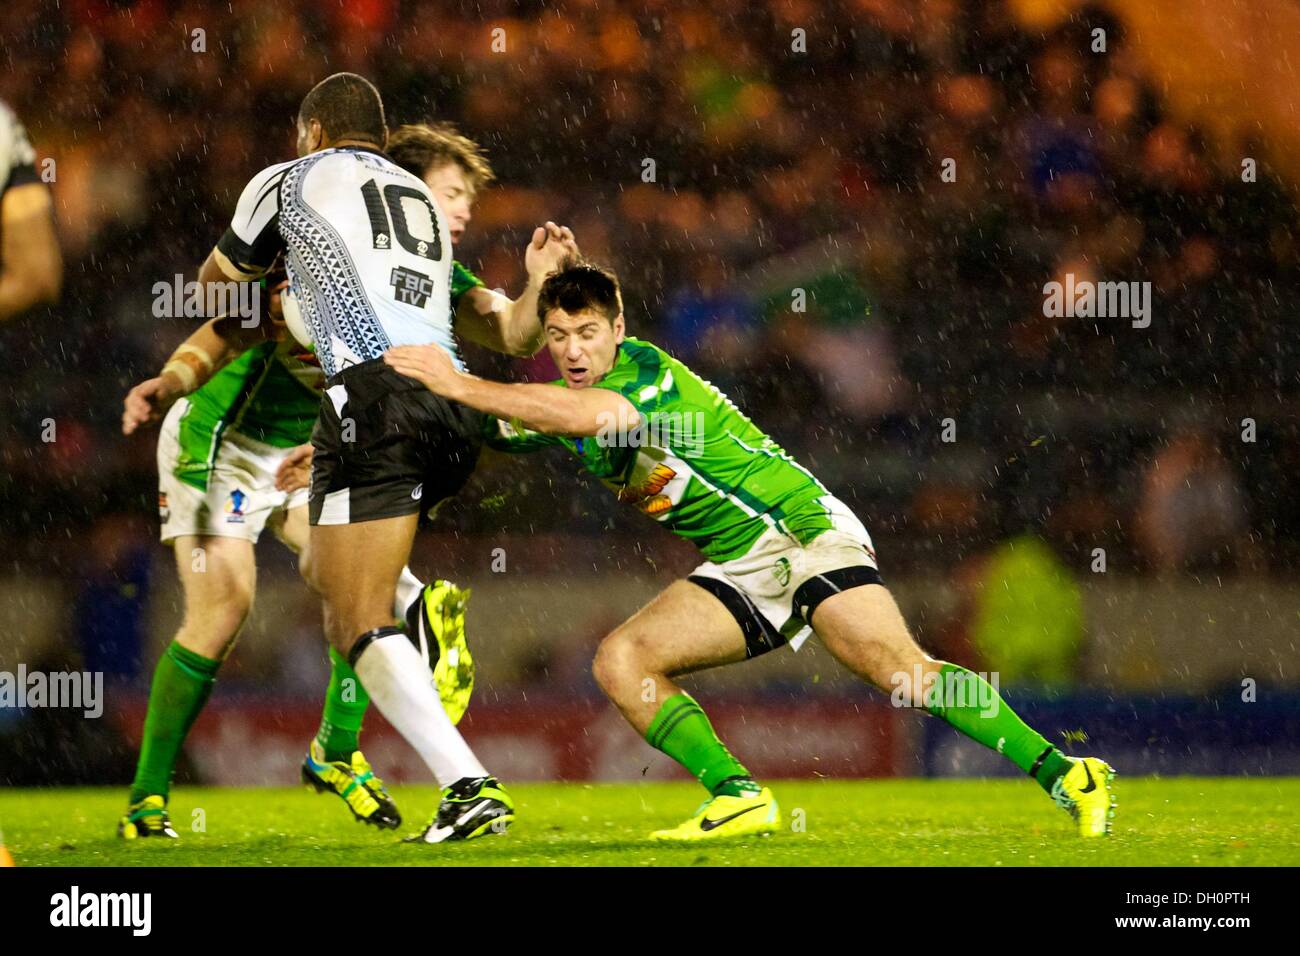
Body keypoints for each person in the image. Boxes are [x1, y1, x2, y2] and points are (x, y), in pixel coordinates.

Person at [384, 259, 1119, 841]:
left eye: (588, 332)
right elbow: (500, 422)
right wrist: (388, 396)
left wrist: (462, 381)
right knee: (622, 660)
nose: (573, 350)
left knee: (899, 670)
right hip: (744, 563)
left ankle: (1066, 771)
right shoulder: (564, 403)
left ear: (618, 329)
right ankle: (738, 795)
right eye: (557, 337)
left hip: (800, 530)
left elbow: (581, 415)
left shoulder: (642, 374)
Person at [118, 73, 572, 843]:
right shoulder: (400, 224)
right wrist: (175, 378)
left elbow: (212, 293)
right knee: (255, 604)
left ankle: (398, 762)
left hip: (350, 421)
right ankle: (155, 798)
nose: (459, 209)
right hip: (239, 442)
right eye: (455, 192)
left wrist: (261, 298)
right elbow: (511, 333)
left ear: (313, 135)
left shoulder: (297, 193)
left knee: (356, 603)